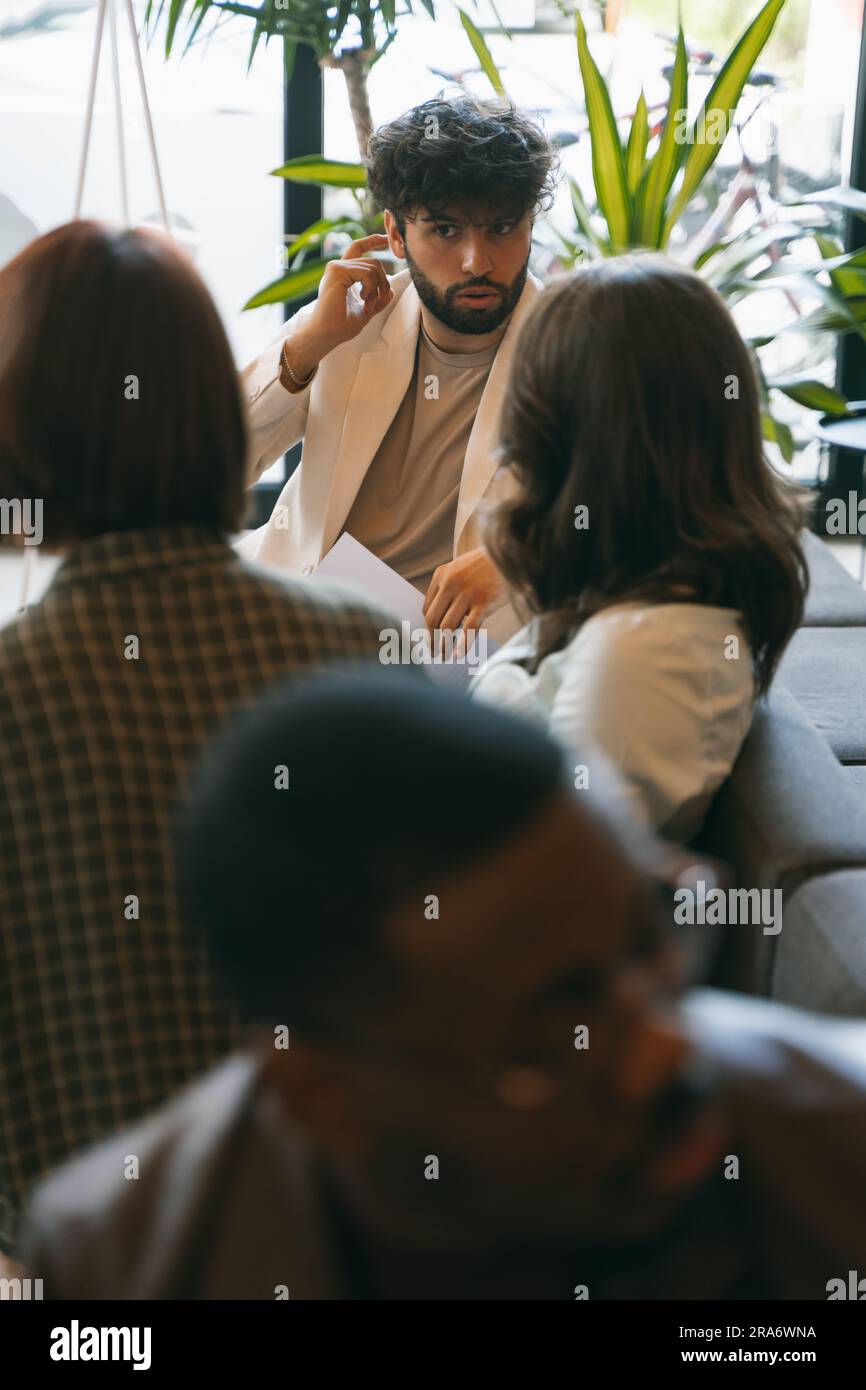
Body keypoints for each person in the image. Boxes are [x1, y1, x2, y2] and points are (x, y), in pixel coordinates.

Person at [23, 673, 866, 1300]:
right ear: (320, 1094)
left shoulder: (833, 1140)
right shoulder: (121, 1265)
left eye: (654, 939)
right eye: (546, 1032)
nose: (665, 1046)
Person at [0, 221, 394, 1257]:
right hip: (339, 1240)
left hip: (94, 1257)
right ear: (214, 410)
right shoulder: (360, 649)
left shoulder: (14, 691)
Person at [471, 255, 808, 841]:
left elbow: (550, 884)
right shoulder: (640, 603)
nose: (511, 446)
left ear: (583, 445)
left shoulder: (641, 654)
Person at [238, 96, 558, 645]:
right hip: (301, 621)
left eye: (502, 228)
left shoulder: (578, 347)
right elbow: (208, 472)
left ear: (530, 225)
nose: (476, 262)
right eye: (445, 230)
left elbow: (653, 510)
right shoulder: (349, 322)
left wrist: (514, 559)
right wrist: (308, 348)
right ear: (394, 233)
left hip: (455, 663)